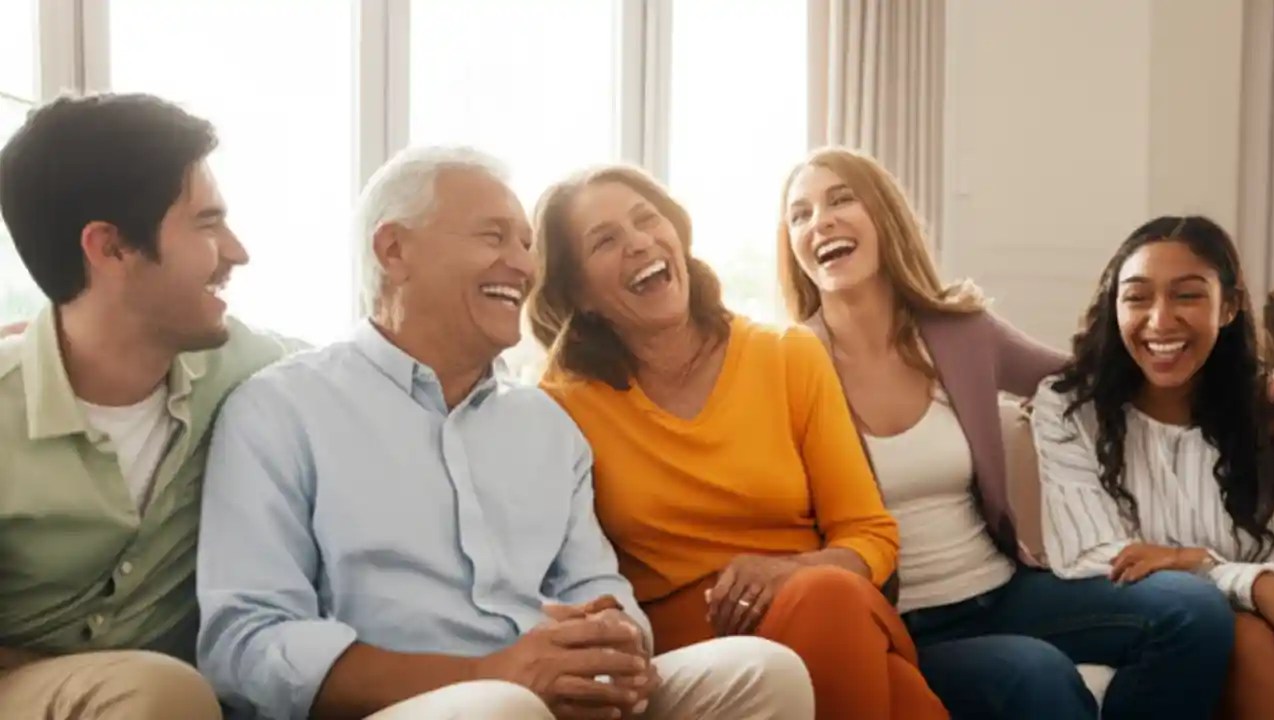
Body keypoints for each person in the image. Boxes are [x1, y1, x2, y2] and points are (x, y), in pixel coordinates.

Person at [196, 146, 815, 720]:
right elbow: (246, 641)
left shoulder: (547, 426)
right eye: (494, 237)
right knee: (498, 708)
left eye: (525, 243)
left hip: (551, 696)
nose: (524, 265)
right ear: (394, 251)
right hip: (417, 706)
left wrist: (612, 645)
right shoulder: (280, 408)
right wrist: (489, 674)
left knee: (762, 672)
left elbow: (596, 585)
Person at [778, 147, 1235, 720]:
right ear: (792, 246)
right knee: (1035, 675)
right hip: (901, 622)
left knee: (1195, 610)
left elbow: (1089, 380)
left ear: (883, 215)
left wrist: (1252, 382)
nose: (820, 221)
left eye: (841, 198)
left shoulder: (959, 330)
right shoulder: (787, 364)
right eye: (800, 214)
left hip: (1004, 589)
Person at [528, 164, 946, 720]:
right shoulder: (561, 404)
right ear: (577, 292)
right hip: (691, 638)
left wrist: (789, 572)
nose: (638, 242)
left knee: (828, 602)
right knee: (900, 692)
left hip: (825, 600)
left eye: (646, 219)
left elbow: (868, 533)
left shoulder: (787, 355)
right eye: (605, 241)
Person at [0, 93, 295, 718]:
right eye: (207, 224)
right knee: (159, 691)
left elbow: (368, 367)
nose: (237, 251)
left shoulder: (252, 370)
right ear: (110, 248)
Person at [1033, 215, 1274, 719]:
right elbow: (1091, 554)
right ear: (1114, 306)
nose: (1160, 321)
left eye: (1187, 296)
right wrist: (1246, 582)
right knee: (1246, 634)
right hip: (1154, 622)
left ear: (1228, 307)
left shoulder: (1266, 408)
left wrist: (1206, 566)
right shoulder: (1071, 409)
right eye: (1137, 296)